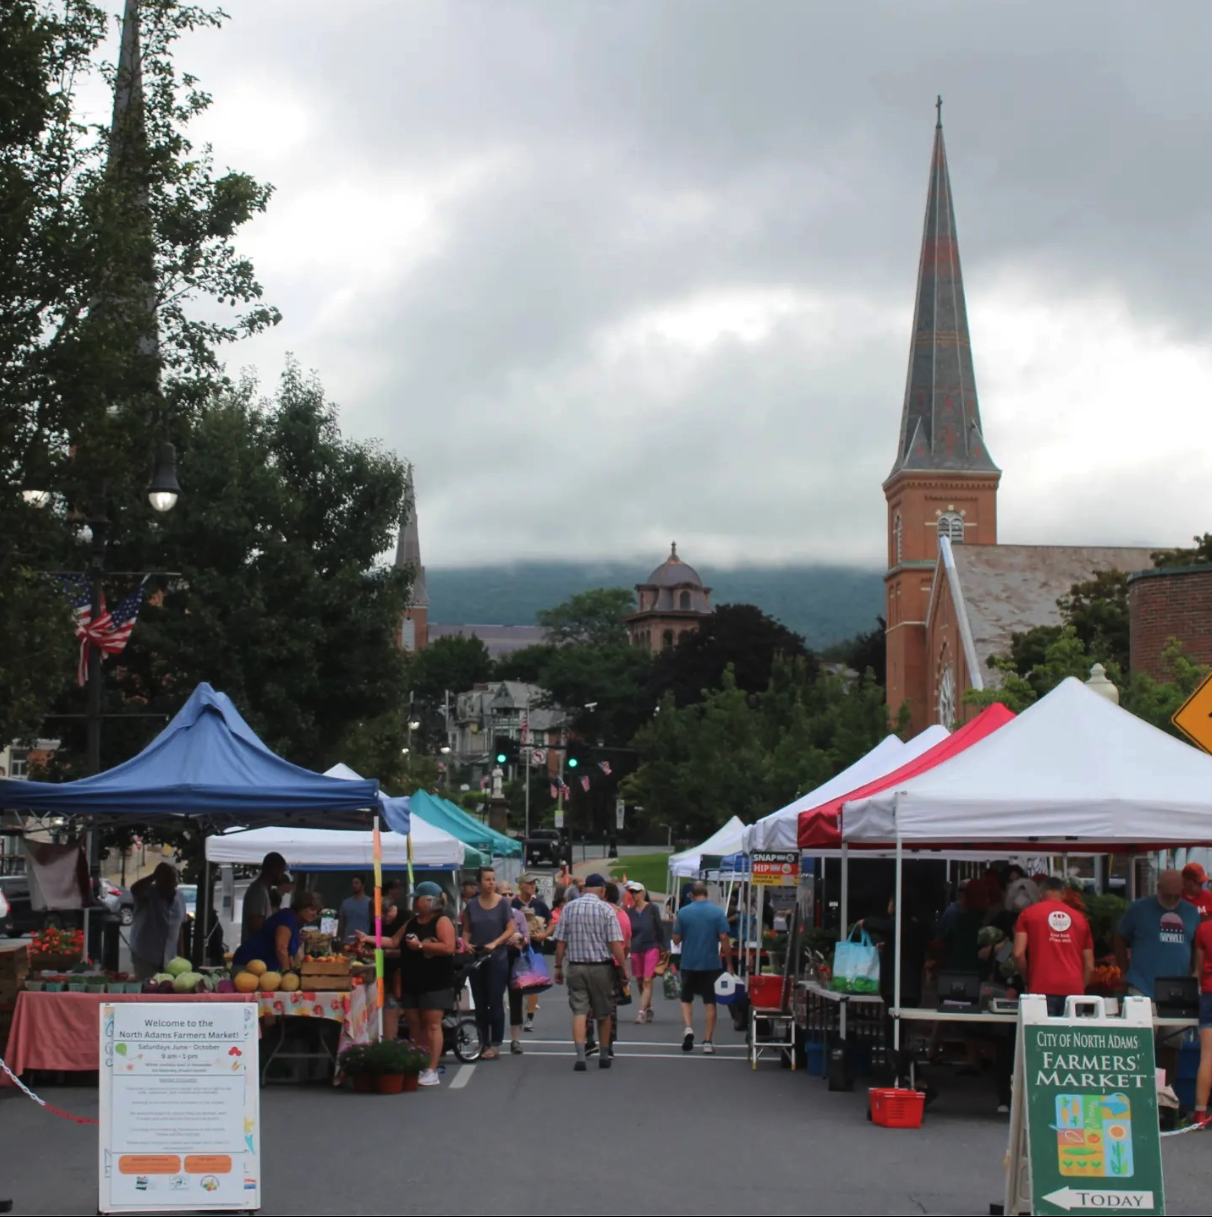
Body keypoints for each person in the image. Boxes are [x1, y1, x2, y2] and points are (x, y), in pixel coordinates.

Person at [362, 881, 455, 1088]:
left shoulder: (442, 921)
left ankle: (431, 1068)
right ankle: (419, 1063)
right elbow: (394, 941)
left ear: (429, 901)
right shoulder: (412, 922)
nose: (413, 902)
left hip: (435, 981)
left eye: (418, 898)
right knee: (414, 1023)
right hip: (412, 980)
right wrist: (369, 938)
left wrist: (421, 945)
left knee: (432, 1023)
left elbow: (449, 947)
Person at [551, 873, 626, 1072]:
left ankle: (580, 1056)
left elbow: (560, 941)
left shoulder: (569, 908)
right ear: (602, 890)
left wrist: (558, 966)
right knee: (604, 1012)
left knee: (579, 1011)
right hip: (601, 967)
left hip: (575, 966)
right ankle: (603, 1055)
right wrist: (624, 968)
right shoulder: (607, 910)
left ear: (584, 889)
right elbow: (615, 944)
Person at [1013, 876, 1095, 1016]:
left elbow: (1018, 954)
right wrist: (1080, 987)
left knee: (1042, 1036)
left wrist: (1026, 980)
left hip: (1040, 988)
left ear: (1041, 893)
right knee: (1070, 1037)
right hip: (1073, 990)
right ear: (1064, 894)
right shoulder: (1080, 919)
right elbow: (1090, 965)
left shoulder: (1028, 914)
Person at [1115, 869, 1200, 999]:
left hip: (1178, 989)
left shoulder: (1191, 912)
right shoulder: (1138, 909)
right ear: (1158, 888)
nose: (1172, 900)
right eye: (1167, 895)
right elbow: (1119, 937)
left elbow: (1197, 946)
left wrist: (1196, 972)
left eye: (1176, 896)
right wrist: (1124, 970)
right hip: (1141, 987)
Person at [460, 867, 515, 1060]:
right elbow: (467, 929)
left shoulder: (502, 904)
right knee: (480, 1003)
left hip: (496, 957)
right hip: (477, 956)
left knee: (495, 1001)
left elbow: (510, 928)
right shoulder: (472, 905)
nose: (491, 883)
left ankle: (495, 1043)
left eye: (493, 879)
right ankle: (483, 1041)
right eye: (487, 880)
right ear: (479, 883)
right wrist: (465, 943)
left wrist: (496, 943)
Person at [672, 881, 732, 1055]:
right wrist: (729, 963)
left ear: (692, 895)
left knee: (686, 998)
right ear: (707, 894)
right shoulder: (717, 912)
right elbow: (724, 938)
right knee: (710, 1002)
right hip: (710, 963)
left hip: (689, 962)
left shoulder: (683, 912)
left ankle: (689, 1027)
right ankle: (708, 1040)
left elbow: (676, 938)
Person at [233, 891, 323, 972]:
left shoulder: (296, 924)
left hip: (264, 968)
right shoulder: (286, 917)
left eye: (317, 912)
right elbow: (281, 949)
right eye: (312, 909)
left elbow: (289, 955)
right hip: (248, 965)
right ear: (301, 906)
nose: (315, 914)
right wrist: (288, 974)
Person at [129, 862, 188, 980]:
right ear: (158, 880)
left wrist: (181, 956)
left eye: (171, 879)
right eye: (165, 879)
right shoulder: (148, 893)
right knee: (147, 988)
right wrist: (154, 876)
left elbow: (179, 928)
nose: (169, 884)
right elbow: (134, 889)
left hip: (170, 957)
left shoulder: (179, 897)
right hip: (146, 955)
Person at [512, 875, 553, 1032]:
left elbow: (550, 923)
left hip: (535, 947)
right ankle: (517, 1017)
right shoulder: (513, 904)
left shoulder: (539, 904)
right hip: (516, 948)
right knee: (518, 982)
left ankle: (529, 1017)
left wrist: (544, 935)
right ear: (521, 885)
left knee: (534, 981)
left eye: (534, 883)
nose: (532, 886)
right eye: (529, 883)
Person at [626, 881, 666, 1023]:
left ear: (643, 893)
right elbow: (628, 931)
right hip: (636, 948)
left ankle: (641, 1012)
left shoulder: (652, 908)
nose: (635, 895)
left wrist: (665, 947)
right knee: (640, 980)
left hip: (651, 946)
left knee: (648, 980)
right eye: (632, 892)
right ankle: (647, 1007)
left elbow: (659, 927)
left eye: (637, 892)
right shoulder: (629, 912)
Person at [1190, 909, 1212, 1124]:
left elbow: (1198, 969)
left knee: (1207, 1057)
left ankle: (1199, 1114)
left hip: (1209, 993)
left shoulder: (1203, 929)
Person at [241, 852, 288, 944]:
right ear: (274, 870)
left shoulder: (264, 890)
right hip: (255, 952)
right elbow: (256, 926)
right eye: (281, 872)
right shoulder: (258, 891)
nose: (282, 876)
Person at [338, 876, 372, 944]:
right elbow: (342, 924)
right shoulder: (346, 903)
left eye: (356, 883)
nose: (354, 885)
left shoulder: (370, 903)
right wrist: (340, 940)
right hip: (348, 942)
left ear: (363, 885)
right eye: (353, 883)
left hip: (365, 942)